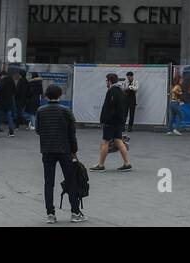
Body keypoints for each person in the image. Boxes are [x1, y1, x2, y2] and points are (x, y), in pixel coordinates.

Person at [36, 83, 85, 223]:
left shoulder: (40, 111)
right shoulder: (66, 111)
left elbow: (38, 131)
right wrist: (74, 150)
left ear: (46, 95)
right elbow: (72, 133)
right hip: (65, 150)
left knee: (48, 183)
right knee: (71, 181)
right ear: (60, 95)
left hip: (47, 150)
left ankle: (50, 214)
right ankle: (75, 212)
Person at [91, 73, 133, 171]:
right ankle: (127, 163)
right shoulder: (121, 91)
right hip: (119, 121)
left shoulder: (112, 91)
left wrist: (105, 120)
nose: (106, 82)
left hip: (111, 122)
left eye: (106, 80)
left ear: (109, 81)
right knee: (118, 140)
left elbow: (109, 108)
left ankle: (101, 165)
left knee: (105, 141)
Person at [0, 71, 16, 137]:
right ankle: (11, 133)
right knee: (9, 118)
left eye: (0, 76)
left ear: (2, 76)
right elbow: (15, 91)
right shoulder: (11, 82)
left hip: (0, 103)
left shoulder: (2, 82)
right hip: (9, 103)